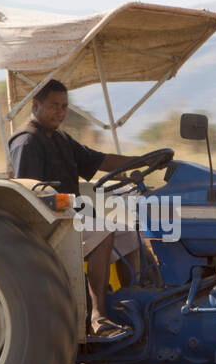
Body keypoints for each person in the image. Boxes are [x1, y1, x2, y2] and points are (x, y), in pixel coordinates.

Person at [8, 79, 152, 338]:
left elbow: (101, 160)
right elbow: (27, 195)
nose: (60, 112)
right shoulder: (27, 142)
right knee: (103, 233)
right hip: (50, 225)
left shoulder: (61, 138)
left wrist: (144, 160)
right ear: (36, 105)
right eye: (54, 106)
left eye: (64, 107)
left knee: (130, 235)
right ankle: (98, 317)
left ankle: (133, 303)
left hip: (73, 219)